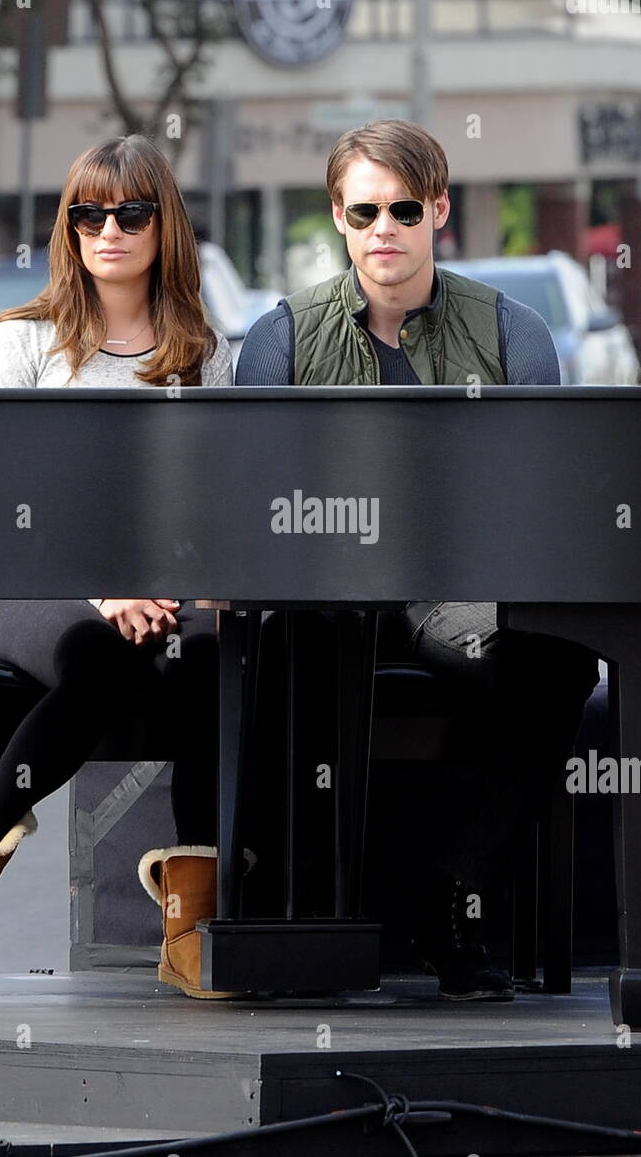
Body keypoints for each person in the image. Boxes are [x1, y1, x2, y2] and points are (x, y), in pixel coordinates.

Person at [236, 119, 601, 1001]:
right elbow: (247, 496)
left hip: (454, 590)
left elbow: (537, 490)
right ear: (338, 218)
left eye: (403, 208)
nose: (383, 230)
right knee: (297, 647)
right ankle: (296, 915)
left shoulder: (514, 330)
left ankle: (458, 900)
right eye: (364, 213)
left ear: (438, 208)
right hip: (323, 589)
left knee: (558, 656)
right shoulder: (282, 336)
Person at [0, 134, 239, 1003]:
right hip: (33, 584)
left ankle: (190, 922)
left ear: (166, 226)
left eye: (132, 213)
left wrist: (198, 590)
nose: (109, 231)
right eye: (88, 214)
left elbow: (212, 499)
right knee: (97, 653)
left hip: (169, 589)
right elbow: (6, 505)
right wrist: (105, 590)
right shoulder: (24, 343)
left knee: (212, 656)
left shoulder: (205, 352)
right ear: (70, 228)